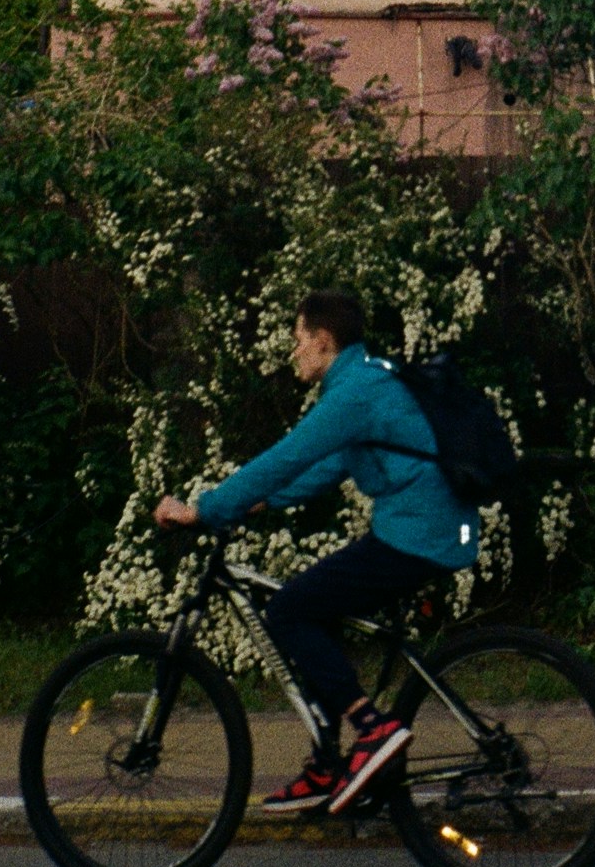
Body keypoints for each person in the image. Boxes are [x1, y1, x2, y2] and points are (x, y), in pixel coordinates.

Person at [155, 286, 480, 813]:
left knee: (290, 609)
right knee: (314, 609)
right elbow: (330, 466)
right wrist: (260, 504)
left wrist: (206, 508)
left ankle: (371, 730)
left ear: (324, 341)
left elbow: (290, 454)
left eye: (298, 340)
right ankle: (329, 764)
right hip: (426, 527)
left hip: (419, 533)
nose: (293, 352)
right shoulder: (367, 377)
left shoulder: (353, 392)